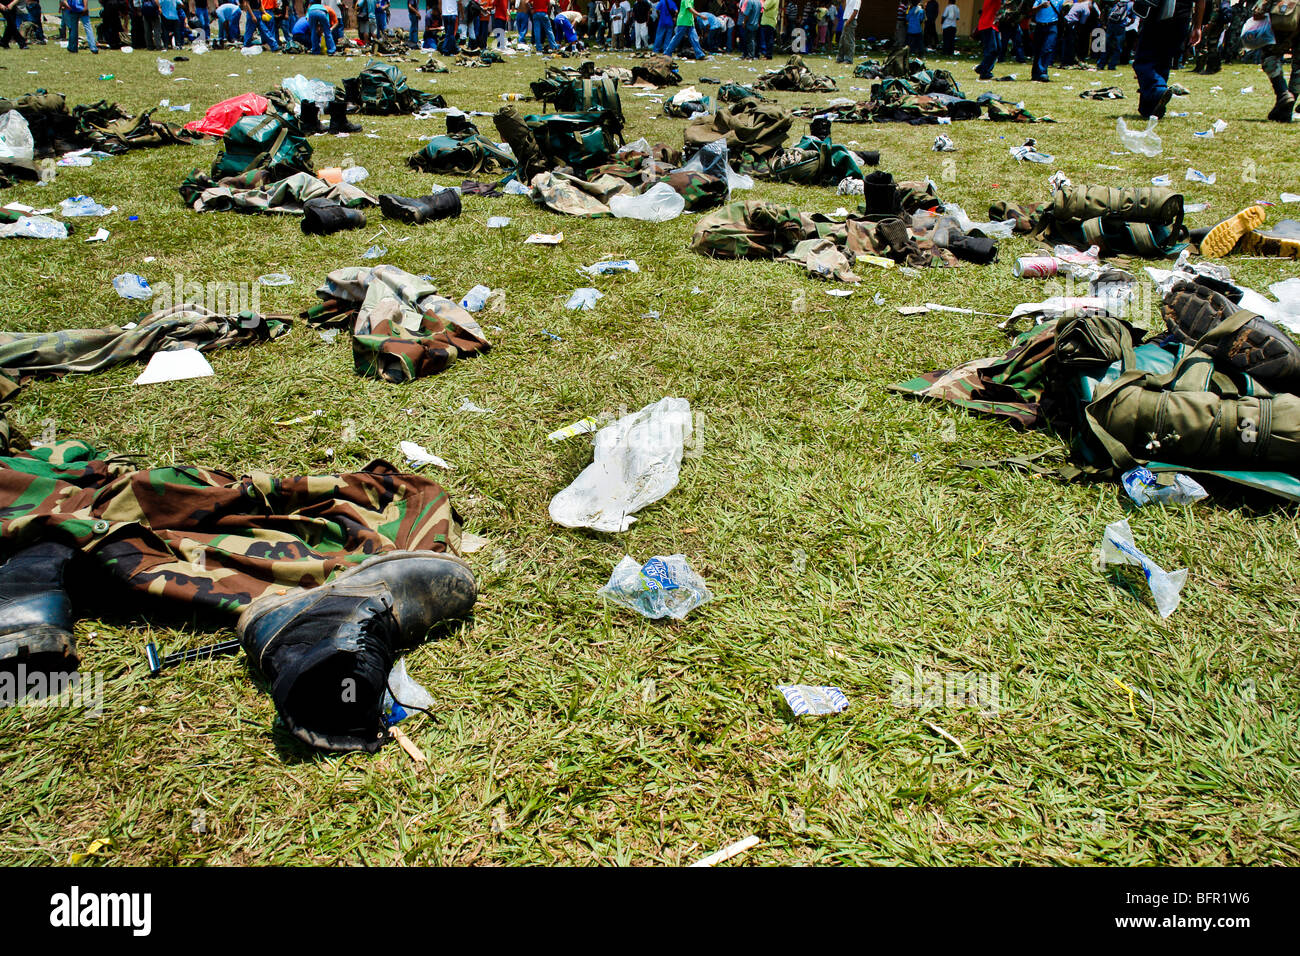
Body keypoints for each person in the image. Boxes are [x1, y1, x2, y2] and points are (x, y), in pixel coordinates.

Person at [1133, 0, 1202, 117]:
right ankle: (1150, 108)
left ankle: (1158, 90)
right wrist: (1197, 26)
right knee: (1163, 61)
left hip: (1160, 12)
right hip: (1183, 17)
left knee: (1145, 60)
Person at [1256, 0, 1300, 120]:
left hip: (1285, 17)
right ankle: (1286, 109)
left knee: (1269, 55)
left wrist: (1260, 7)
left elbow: (1259, 9)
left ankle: (1283, 93)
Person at [1029, 0, 1060, 80]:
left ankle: (1042, 72)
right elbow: (1032, 11)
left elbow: (1068, 5)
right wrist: (1041, 6)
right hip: (1040, 26)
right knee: (1038, 50)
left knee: (1047, 48)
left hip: (1052, 26)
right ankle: (1035, 74)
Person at [1098, 0, 1131, 69]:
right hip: (1120, 27)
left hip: (1111, 25)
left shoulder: (1117, 3)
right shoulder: (1130, 4)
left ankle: (1101, 64)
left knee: (1106, 45)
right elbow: (1132, 19)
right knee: (1118, 47)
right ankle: (1112, 65)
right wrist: (1127, 24)